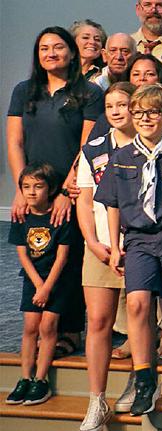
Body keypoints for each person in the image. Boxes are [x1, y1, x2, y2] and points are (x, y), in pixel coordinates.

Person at [94, 84, 162, 414]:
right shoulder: (122, 158)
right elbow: (111, 203)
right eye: (138, 113)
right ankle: (144, 378)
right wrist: (114, 246)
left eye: (152, 112)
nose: (144, 118)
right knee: (138, 304)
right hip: (137, 239)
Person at [75, 82, 137, 431]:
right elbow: (85, 200)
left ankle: (136, 381)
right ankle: (96, 400)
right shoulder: (93, 149)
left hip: (139, 246)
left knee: (141, 321)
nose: (116, 111)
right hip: (99, 246)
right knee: (99, 321)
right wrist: (94, 242)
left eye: (123, 104)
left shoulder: (149, 147)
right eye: (110, 105)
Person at [8, 27, 103, 224]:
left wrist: (66, 192)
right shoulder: (22, 91)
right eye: (44, 49)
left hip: (73, 191)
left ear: (72, 52)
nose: (51, 54)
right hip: (34, 193)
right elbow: (14, 143)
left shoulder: (90, 93)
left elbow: (87, 147)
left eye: (58, 47)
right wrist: (23, 189)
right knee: (35, 252)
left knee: (69, 253)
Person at [6, 163, 79, 408]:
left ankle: (40, 379)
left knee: (48, 327)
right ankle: (25, 377)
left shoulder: (61, 217)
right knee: (30, 327)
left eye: (38, 187)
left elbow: (62, 257)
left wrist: (47, 287)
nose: (32, 192)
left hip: (56, 281)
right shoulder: (21, 217)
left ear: (50, 189)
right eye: (26, 187)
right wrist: (38, 284)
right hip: (33, 280)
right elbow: (23, 255)